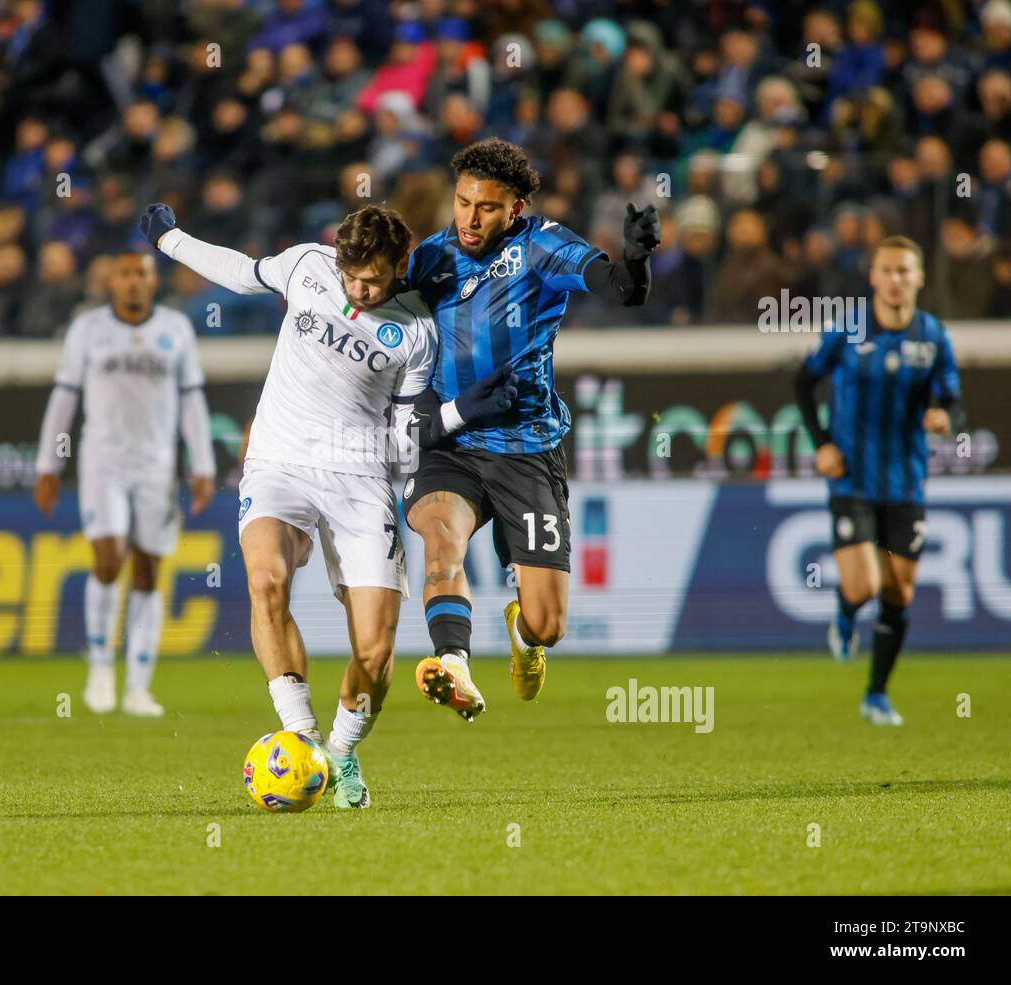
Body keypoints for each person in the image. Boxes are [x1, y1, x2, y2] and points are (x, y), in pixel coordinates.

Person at [140, 201, 514, 805]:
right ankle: (302, 737)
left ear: (399, 268)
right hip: (279, 461)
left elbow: (402, 442)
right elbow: (242, 272)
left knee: (375, 645)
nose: (362, 289)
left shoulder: (417, 328)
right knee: (266, 581)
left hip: (361, 477)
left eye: (375, 279)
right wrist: (170, 239)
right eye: (353, 276)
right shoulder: (307, 265)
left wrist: (459, 411)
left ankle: (340, 754)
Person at [403, 137, 660, 720]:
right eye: (462, 202)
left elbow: (621, 290)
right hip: (453, 441)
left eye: (487, 207)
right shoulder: (430, 258)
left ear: (515, 207)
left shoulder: (544, 246)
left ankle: (524, 636)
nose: (470, 218)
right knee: (441, 545)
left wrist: (636, 261)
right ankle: (455, 667)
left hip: (526, 449)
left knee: (550, 623)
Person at [33, 251, 216, 717]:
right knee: (109, 558)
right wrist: (48, 464)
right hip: (102, 462)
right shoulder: (88, 329)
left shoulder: (175, 328)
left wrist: (203, 466)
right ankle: (99, 666)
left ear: (154, 283)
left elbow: (193, 400)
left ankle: (137, 686)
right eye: (125, 274)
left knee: (148, 572)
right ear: (111, 282)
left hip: (156, 465)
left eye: (142, 274)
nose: (134, 282)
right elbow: (64, 398)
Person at [795, 235, 961, 726]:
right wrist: (822, 442)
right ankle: (846, 617)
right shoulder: (847, 330)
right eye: (887, 270)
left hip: (906, 482)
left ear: (920, 278)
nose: (896, 280)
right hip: (851, 479)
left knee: (900, 592)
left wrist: (942, 415)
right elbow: (803, 381)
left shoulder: (932, 336)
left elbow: (951, 396)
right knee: (865, 584)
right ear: (873, 277)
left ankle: (876, 694)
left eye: (905, 271)